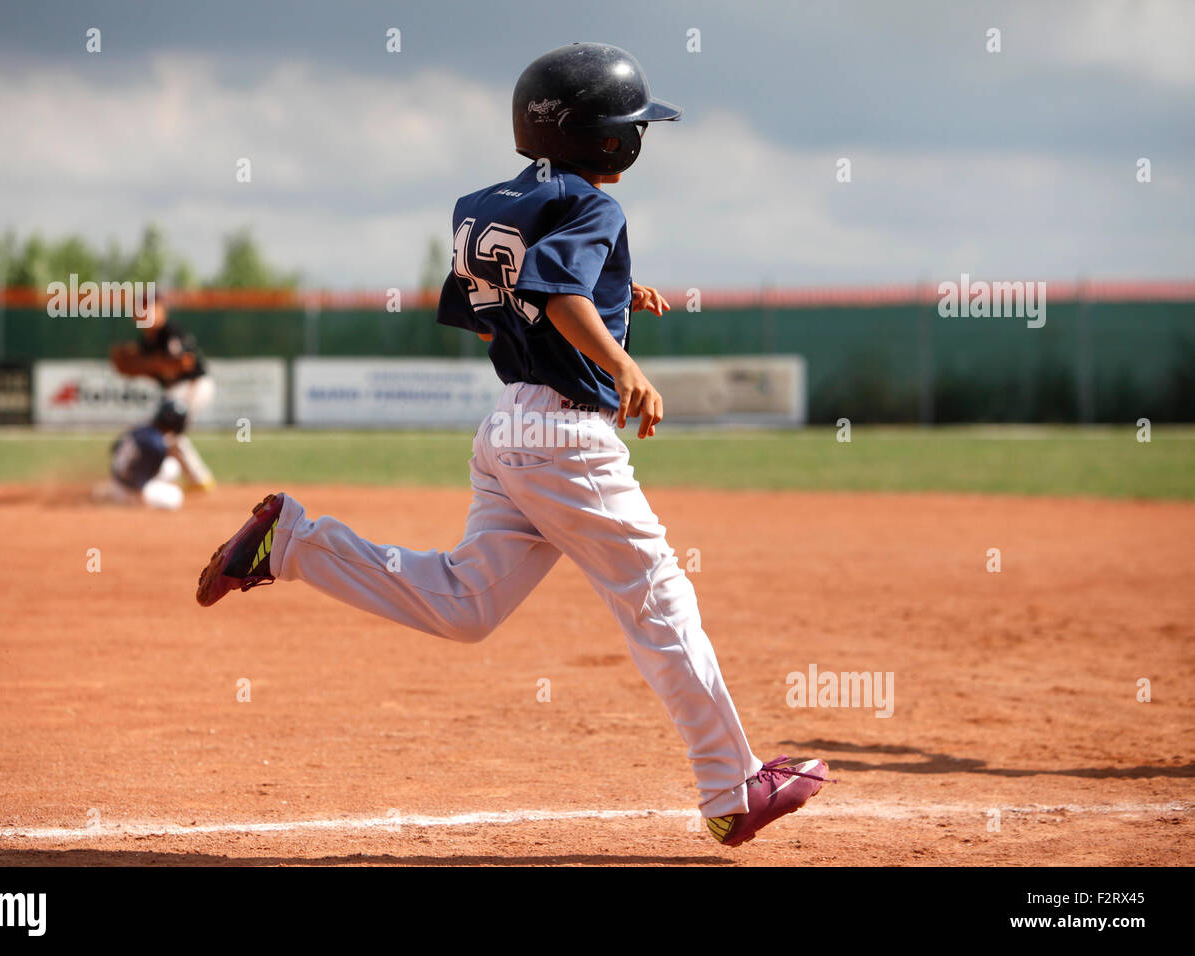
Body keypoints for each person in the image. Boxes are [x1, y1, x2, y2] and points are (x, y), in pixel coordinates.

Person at [195, 42, 830, 846]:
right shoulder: (597, 206)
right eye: (630, 125)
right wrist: (622, 359)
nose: (637, 138)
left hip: (508, 429)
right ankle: (732, 787)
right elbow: (556, 291)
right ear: (604, 139)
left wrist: (610, 290)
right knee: (657, 599)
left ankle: (294, 545)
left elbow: (506, 295)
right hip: (566, 438)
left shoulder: (485, 202)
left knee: (465, 604)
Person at [110, 294, 215, 489]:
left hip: (194, 385)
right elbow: (144, 371)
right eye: (139, 310)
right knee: (166, 434)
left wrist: (144, 363)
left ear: (161, 310)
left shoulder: (170, 332)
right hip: (175, 391)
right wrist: (137, 366)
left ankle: (195, 479)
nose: (143, 314)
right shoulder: (146, 343)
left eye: (148, 308)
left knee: (166, 432)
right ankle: (195, 480)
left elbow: (184, 362)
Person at [93, 398, 190, 510]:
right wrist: (140, 501)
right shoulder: (156, 445)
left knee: (172, 466)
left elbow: (114, 448)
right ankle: (116, 495)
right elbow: (136, 480)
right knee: (175, 497)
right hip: (129, 489)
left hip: (117, 478)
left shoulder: (141, 429)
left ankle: (111, 489)